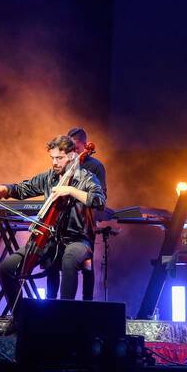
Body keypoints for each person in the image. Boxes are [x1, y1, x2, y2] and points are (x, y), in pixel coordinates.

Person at [0, 135, 104, 303]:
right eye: (52, 158)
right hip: (49, 241)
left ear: (72, 156)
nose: (55, 163)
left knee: (69, 258)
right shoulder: (49, 177)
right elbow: (23, 189)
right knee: (5, 268)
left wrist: (71, 190)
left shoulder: (86, 177)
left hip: (77, 240)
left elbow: (99, 200)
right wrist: (4, 188)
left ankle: (64, 318)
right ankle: (20, 319)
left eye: (59, 158)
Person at [66, 126, 106, 300]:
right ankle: (53, 302)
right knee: (53, 263)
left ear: (84, 144)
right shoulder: (66, 163)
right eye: (69, 147)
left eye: (75, 147)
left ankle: (87, 302)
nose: (72, 151)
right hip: (65, 222)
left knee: (87, 265)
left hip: (84, 224)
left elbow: (101, 197)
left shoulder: (96, 166)